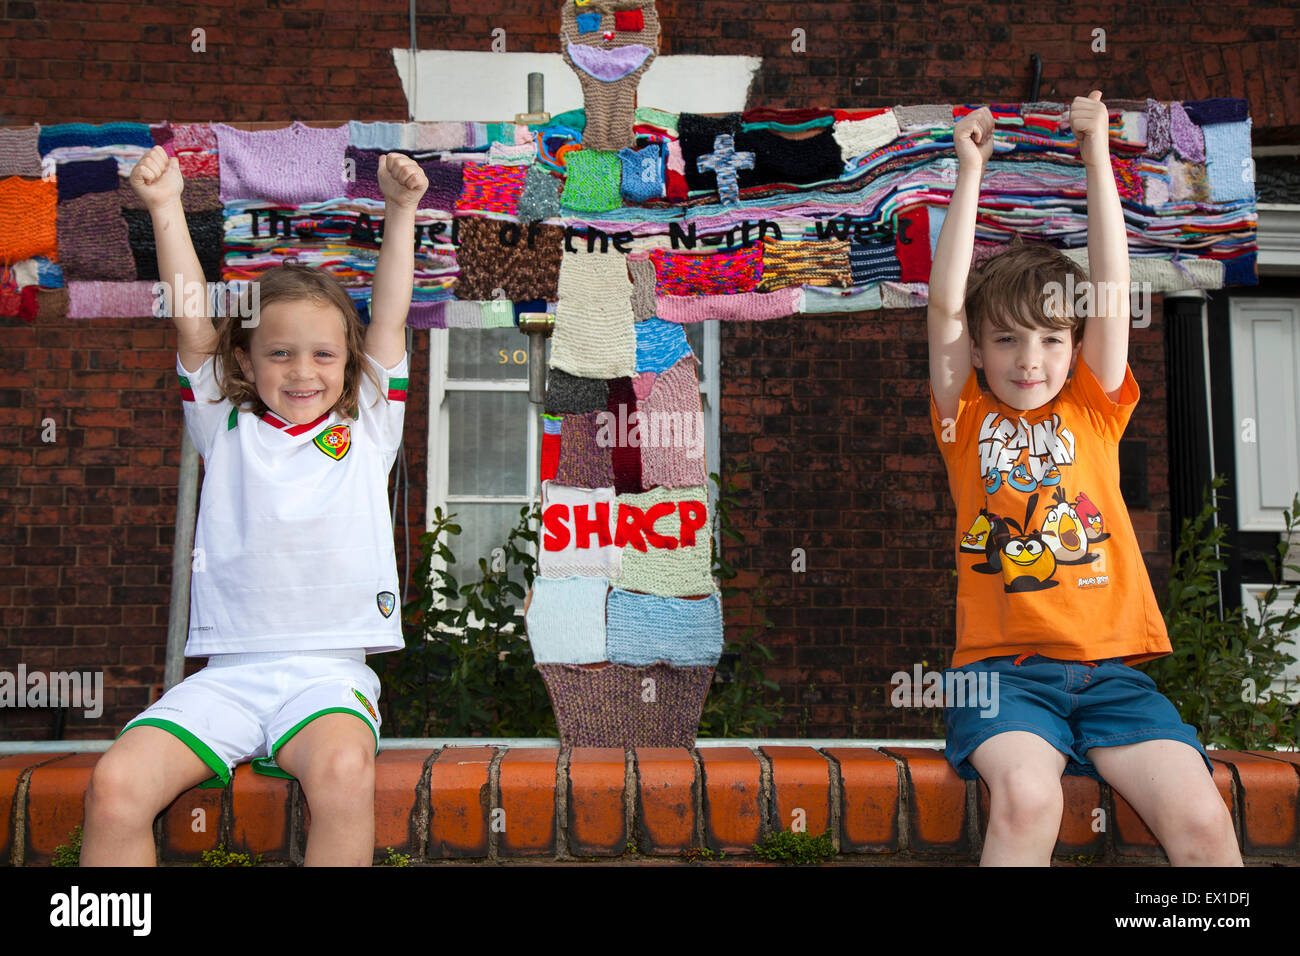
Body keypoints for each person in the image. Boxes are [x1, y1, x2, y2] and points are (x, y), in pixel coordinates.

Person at [80, 143, 428, 866]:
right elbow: (192, 316)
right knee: (114, 785)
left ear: (351, 363)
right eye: (279, 354)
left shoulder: (366, 425)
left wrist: (401, 212)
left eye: (324, 355)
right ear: (243, 360)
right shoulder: (223, 420)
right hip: (228, 680)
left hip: (328, 679)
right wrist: (165, 207)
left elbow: (390, 317)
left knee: (342, 772)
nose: (303, 370)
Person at [926, 92, 1241, 866]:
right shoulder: (962, 418)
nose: (1028, 360)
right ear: (980, 352)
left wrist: (1097, 154)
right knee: (1028, 800)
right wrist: (970, 174)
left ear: (1074, 346)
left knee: (1203, 823)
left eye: (1048, 340)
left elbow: (1108, 284)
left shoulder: (1094, 407)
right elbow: (943, 309)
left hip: (1113, 679)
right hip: (1004, 679)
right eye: (1005, 340)